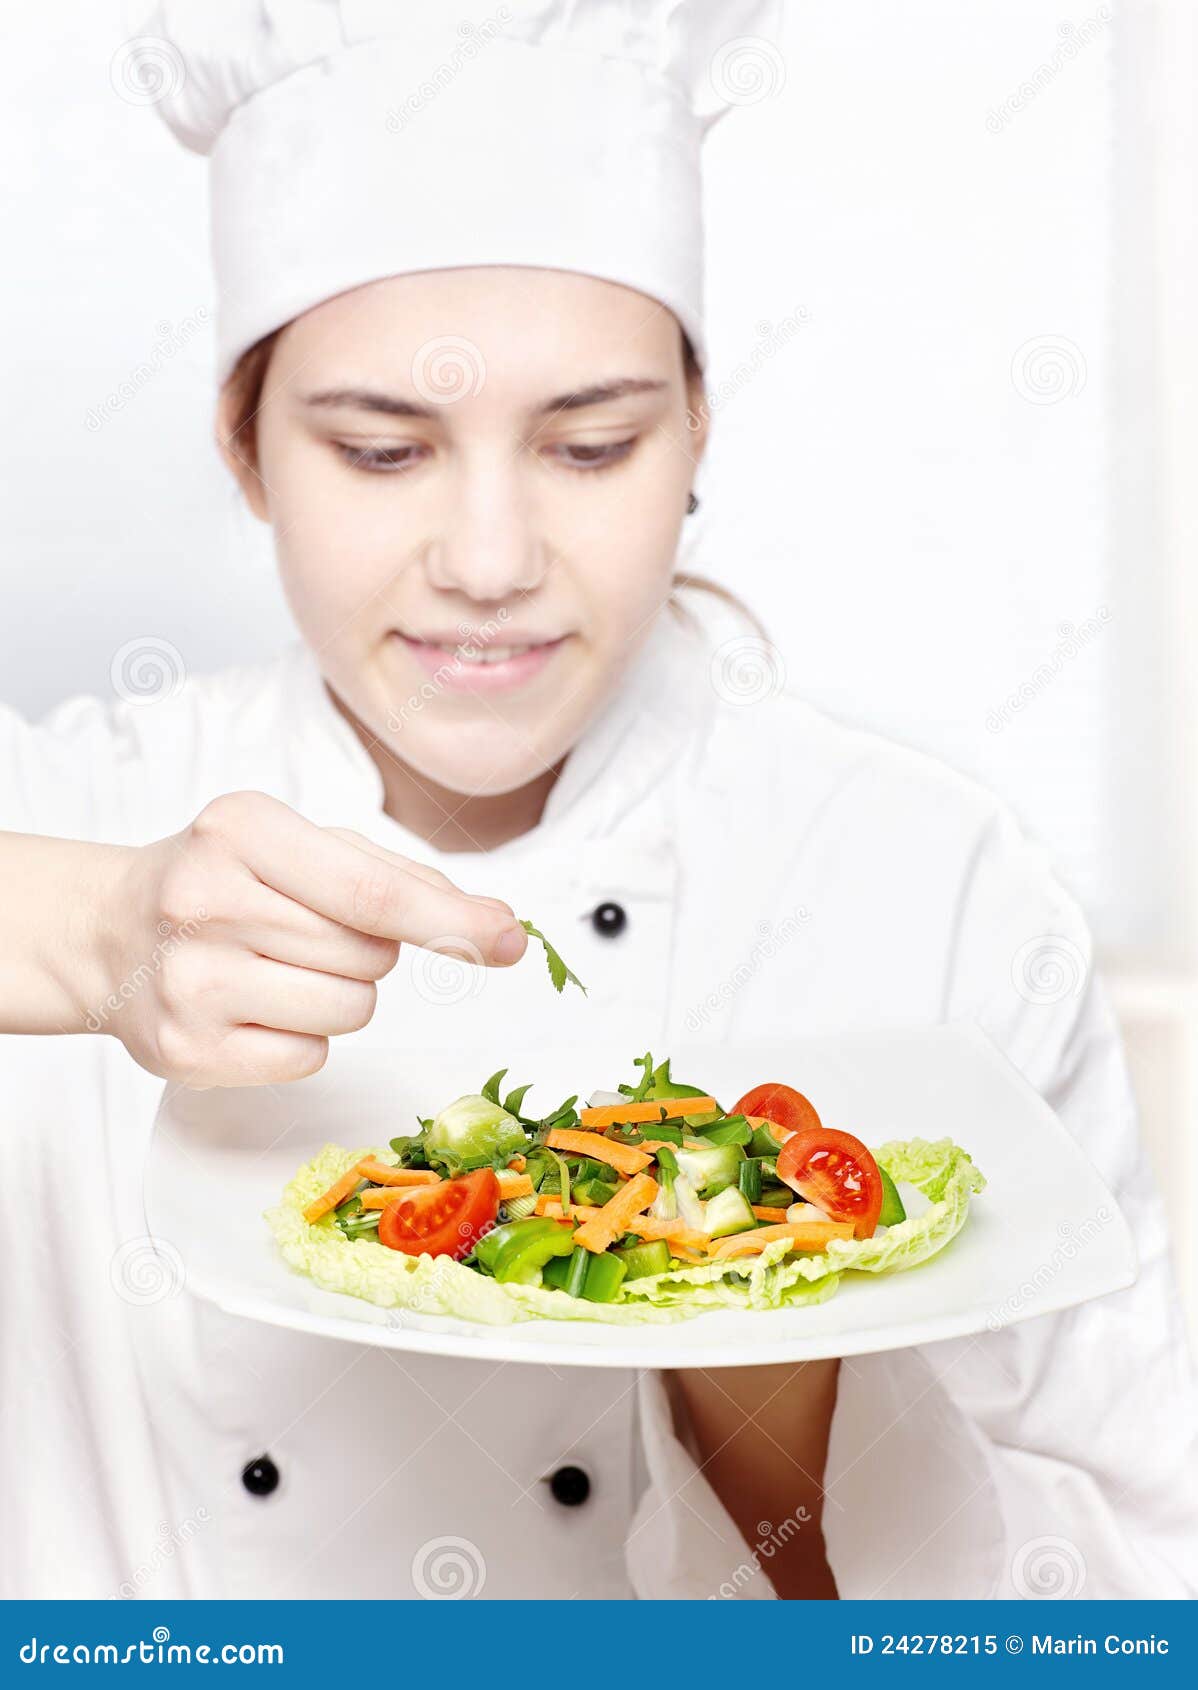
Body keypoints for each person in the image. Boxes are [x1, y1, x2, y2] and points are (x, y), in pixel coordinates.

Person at [1, 0, 1194, 1602]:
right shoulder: (76, 800)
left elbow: (1136, 1592)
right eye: (379, 451)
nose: (488, 562)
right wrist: (87, 937)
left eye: (589, 445)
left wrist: (778, 1442)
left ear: (697, 427)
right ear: (244, 444)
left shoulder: (934, 886)